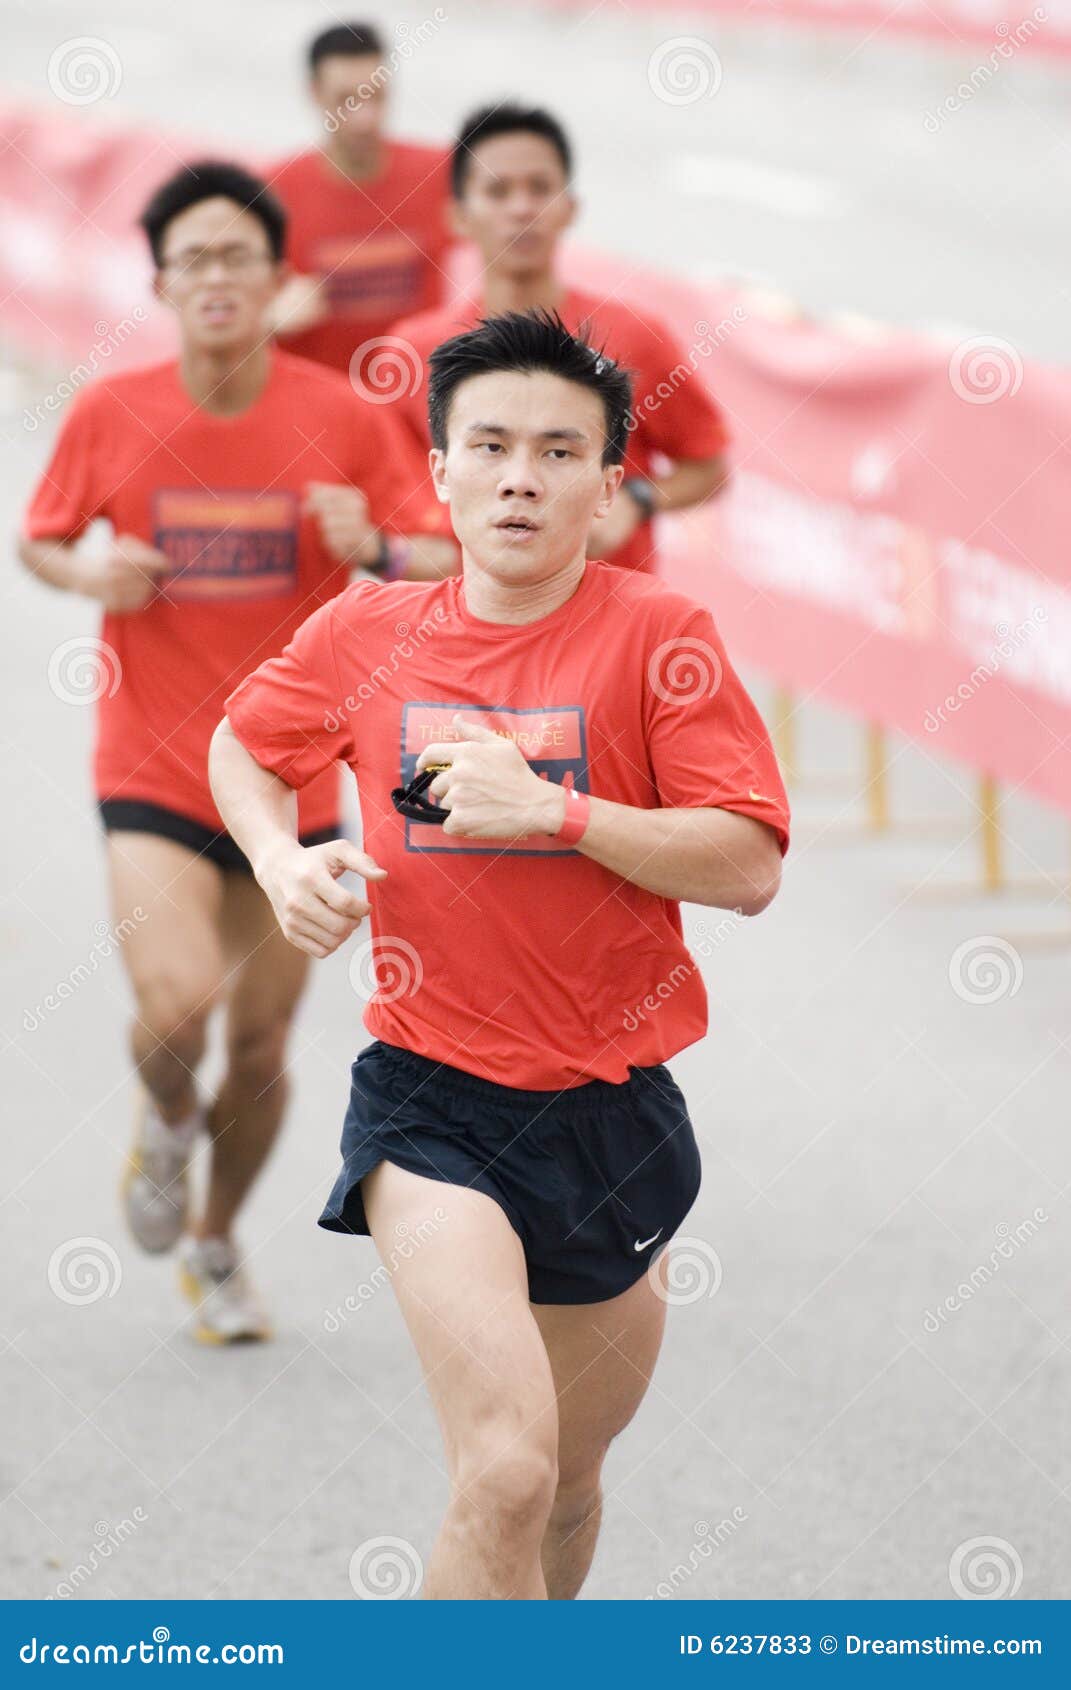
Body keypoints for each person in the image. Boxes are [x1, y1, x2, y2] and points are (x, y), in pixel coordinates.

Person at [210, 311, 787, 1596]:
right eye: (492, 445)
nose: (522, 474)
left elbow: (749, 862)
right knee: (508, 1468)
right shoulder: (367, 634)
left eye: (559, 450)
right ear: (441, 471)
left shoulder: (661, 634)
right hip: (433, 1102)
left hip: (610, 1113)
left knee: (567, 1488)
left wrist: (560, 810)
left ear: (609, 486)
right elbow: (245, 745)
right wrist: (278, 858)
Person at [18, 159, 454, 1344]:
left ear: (280, 280)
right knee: (178, 1009)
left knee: (260, 1043)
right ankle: (163, 1124)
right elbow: (42, 540)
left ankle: (214, 1242)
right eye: (193, 258)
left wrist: (381, 545)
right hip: (155, 763)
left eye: (238, 256)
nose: (216, 276)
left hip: (300, 775)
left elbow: (437, 552)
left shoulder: (343, 417)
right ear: (162, 282)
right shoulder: (113, 411)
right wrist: (85, 569)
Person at [392, 103, 730, 573]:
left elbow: (709, 468)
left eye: (540, 188)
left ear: (570, 207)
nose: (522, 208)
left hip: (612, 623)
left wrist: (635, 500)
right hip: (474, 629)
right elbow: (392, 500)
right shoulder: (414, 352)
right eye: (498, 190)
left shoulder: (635, 337)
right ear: (457, 217)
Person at [269, 20, 454, 374]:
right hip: (320, 406)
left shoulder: (440, 175)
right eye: (347, 100)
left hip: (417, 399)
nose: (364, 118)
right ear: (314, 92)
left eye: (376, 96)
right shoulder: (273, 192)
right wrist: (266, 320)